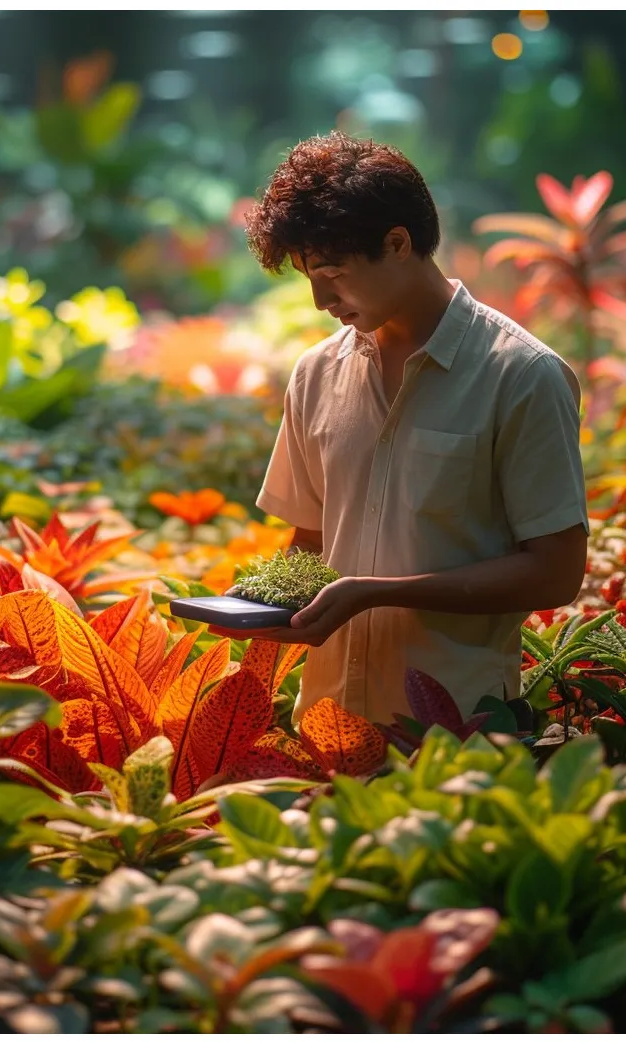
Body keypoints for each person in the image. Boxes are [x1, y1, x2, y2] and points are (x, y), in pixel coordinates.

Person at [211, 130, 589, 726]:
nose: (318, 299)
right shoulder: (315, 375)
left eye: (332, 272)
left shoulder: (522, 375)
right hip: (328, 725)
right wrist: (266, 604)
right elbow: (311, 543)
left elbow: (557, 572)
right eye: (308, 275)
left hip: (457, 732)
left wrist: (378, 591)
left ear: (397, 243)